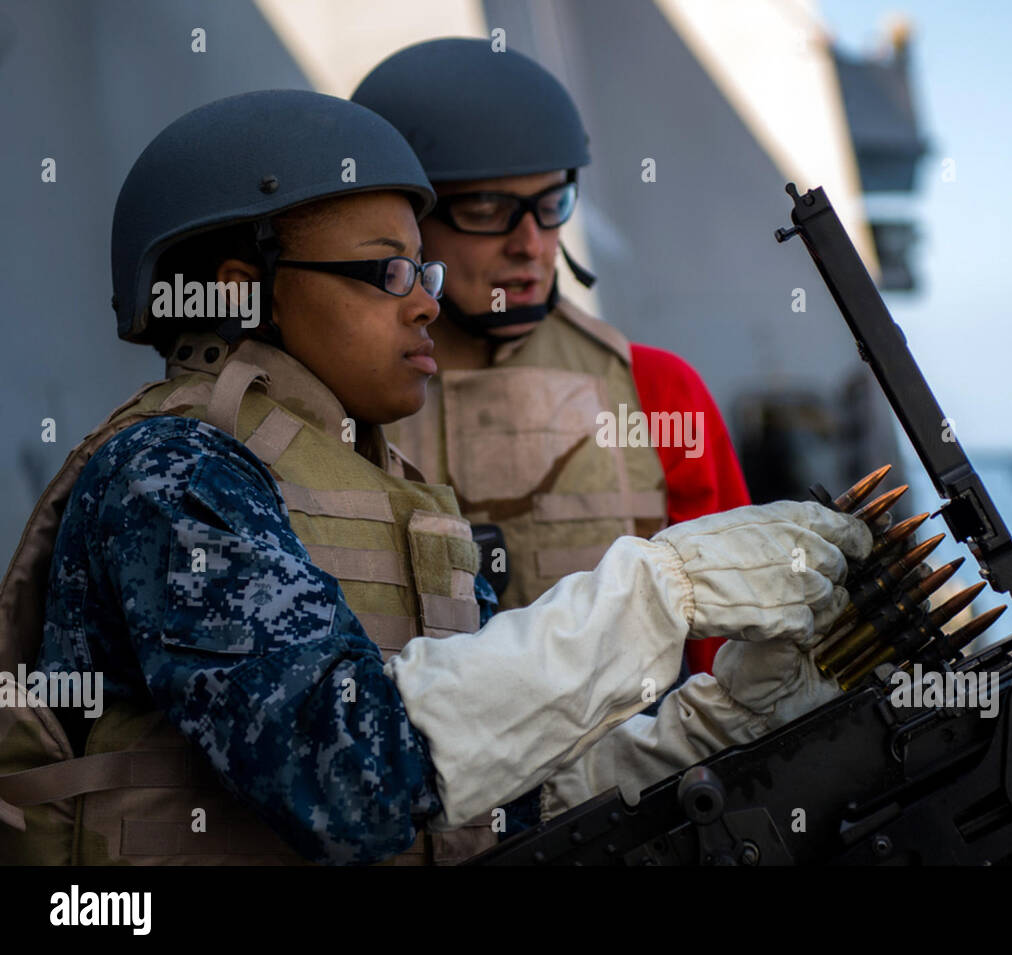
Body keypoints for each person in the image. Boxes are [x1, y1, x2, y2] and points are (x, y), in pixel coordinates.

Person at [0, 90, 869, 866]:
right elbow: (350, 776)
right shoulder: (173, 475)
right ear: (242, 291)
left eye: (426, 269)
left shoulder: (380, 488)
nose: (424, 301)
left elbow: (495, 801)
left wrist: (705, 730)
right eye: (387, 272)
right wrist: (659, 591)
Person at [352, 39, 751, 676]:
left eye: (550, 204)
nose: (531, 245)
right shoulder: (323, 403)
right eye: (487, 210)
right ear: (404, 221)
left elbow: (728, 657)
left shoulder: (657, 390)